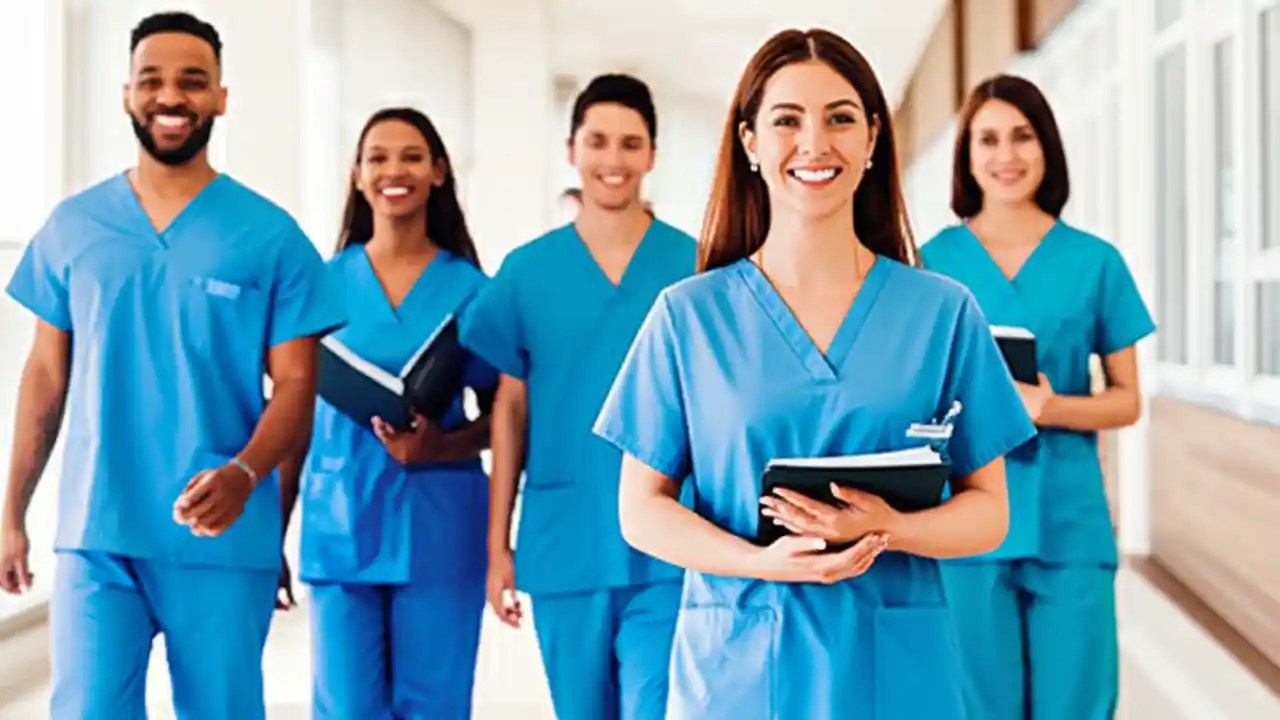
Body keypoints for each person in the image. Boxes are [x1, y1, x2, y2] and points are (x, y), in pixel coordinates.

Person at [591, 29, 1038, 719]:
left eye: (839, 118)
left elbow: (989, 512)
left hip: (894, 670)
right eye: (787, 120)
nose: (814, 143)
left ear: (872, 138)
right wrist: (760, 563)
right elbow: (640, 510)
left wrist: (888, 526)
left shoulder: (942, 313)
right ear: (749, 143)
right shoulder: (688, 317)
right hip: (739, 668)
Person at [0, 11, 342, 720]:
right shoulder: (74, 226)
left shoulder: (269, 235)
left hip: (221, 531)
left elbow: (297, 386)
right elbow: (44, 378)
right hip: (97, 529)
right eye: (152, 80)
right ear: (127, 94)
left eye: (193, 81)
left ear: (221, 97)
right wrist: (11, 512)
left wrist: (245, 474)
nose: (171, 96)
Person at [459, 73, 697, 720]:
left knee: (656, 707)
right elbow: (510, 411)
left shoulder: (695, 267)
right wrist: (497, 546)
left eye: (630, 143)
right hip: (566, 540)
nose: (612, 160)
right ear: (571, 150)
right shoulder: (527, 273)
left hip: (672, 542)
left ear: (652, 155)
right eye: (598, 142)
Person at [921, 74, 1155, 720]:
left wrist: (1053, 408)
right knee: (976, 707)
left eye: (1022, 136)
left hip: (1067, 521)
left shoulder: (1096, 262)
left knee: (1074, 705)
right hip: (966, 520)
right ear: (966, 156)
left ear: (1047, 146)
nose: (1007, 155)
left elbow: (1127, 400)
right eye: (988, 139)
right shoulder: (930, 264)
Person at [288, 107, 497, 720]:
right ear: (357, 174)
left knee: (434, 706)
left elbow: (507, 417)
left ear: (438, 172)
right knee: (345, 708)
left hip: (439, 525)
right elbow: (292, 417)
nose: (393, 171)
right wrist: (271, 532)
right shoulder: (320, 286)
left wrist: (442, 446)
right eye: (377, 158)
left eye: (411, 156)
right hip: (339, 522)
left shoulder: (473, 292)